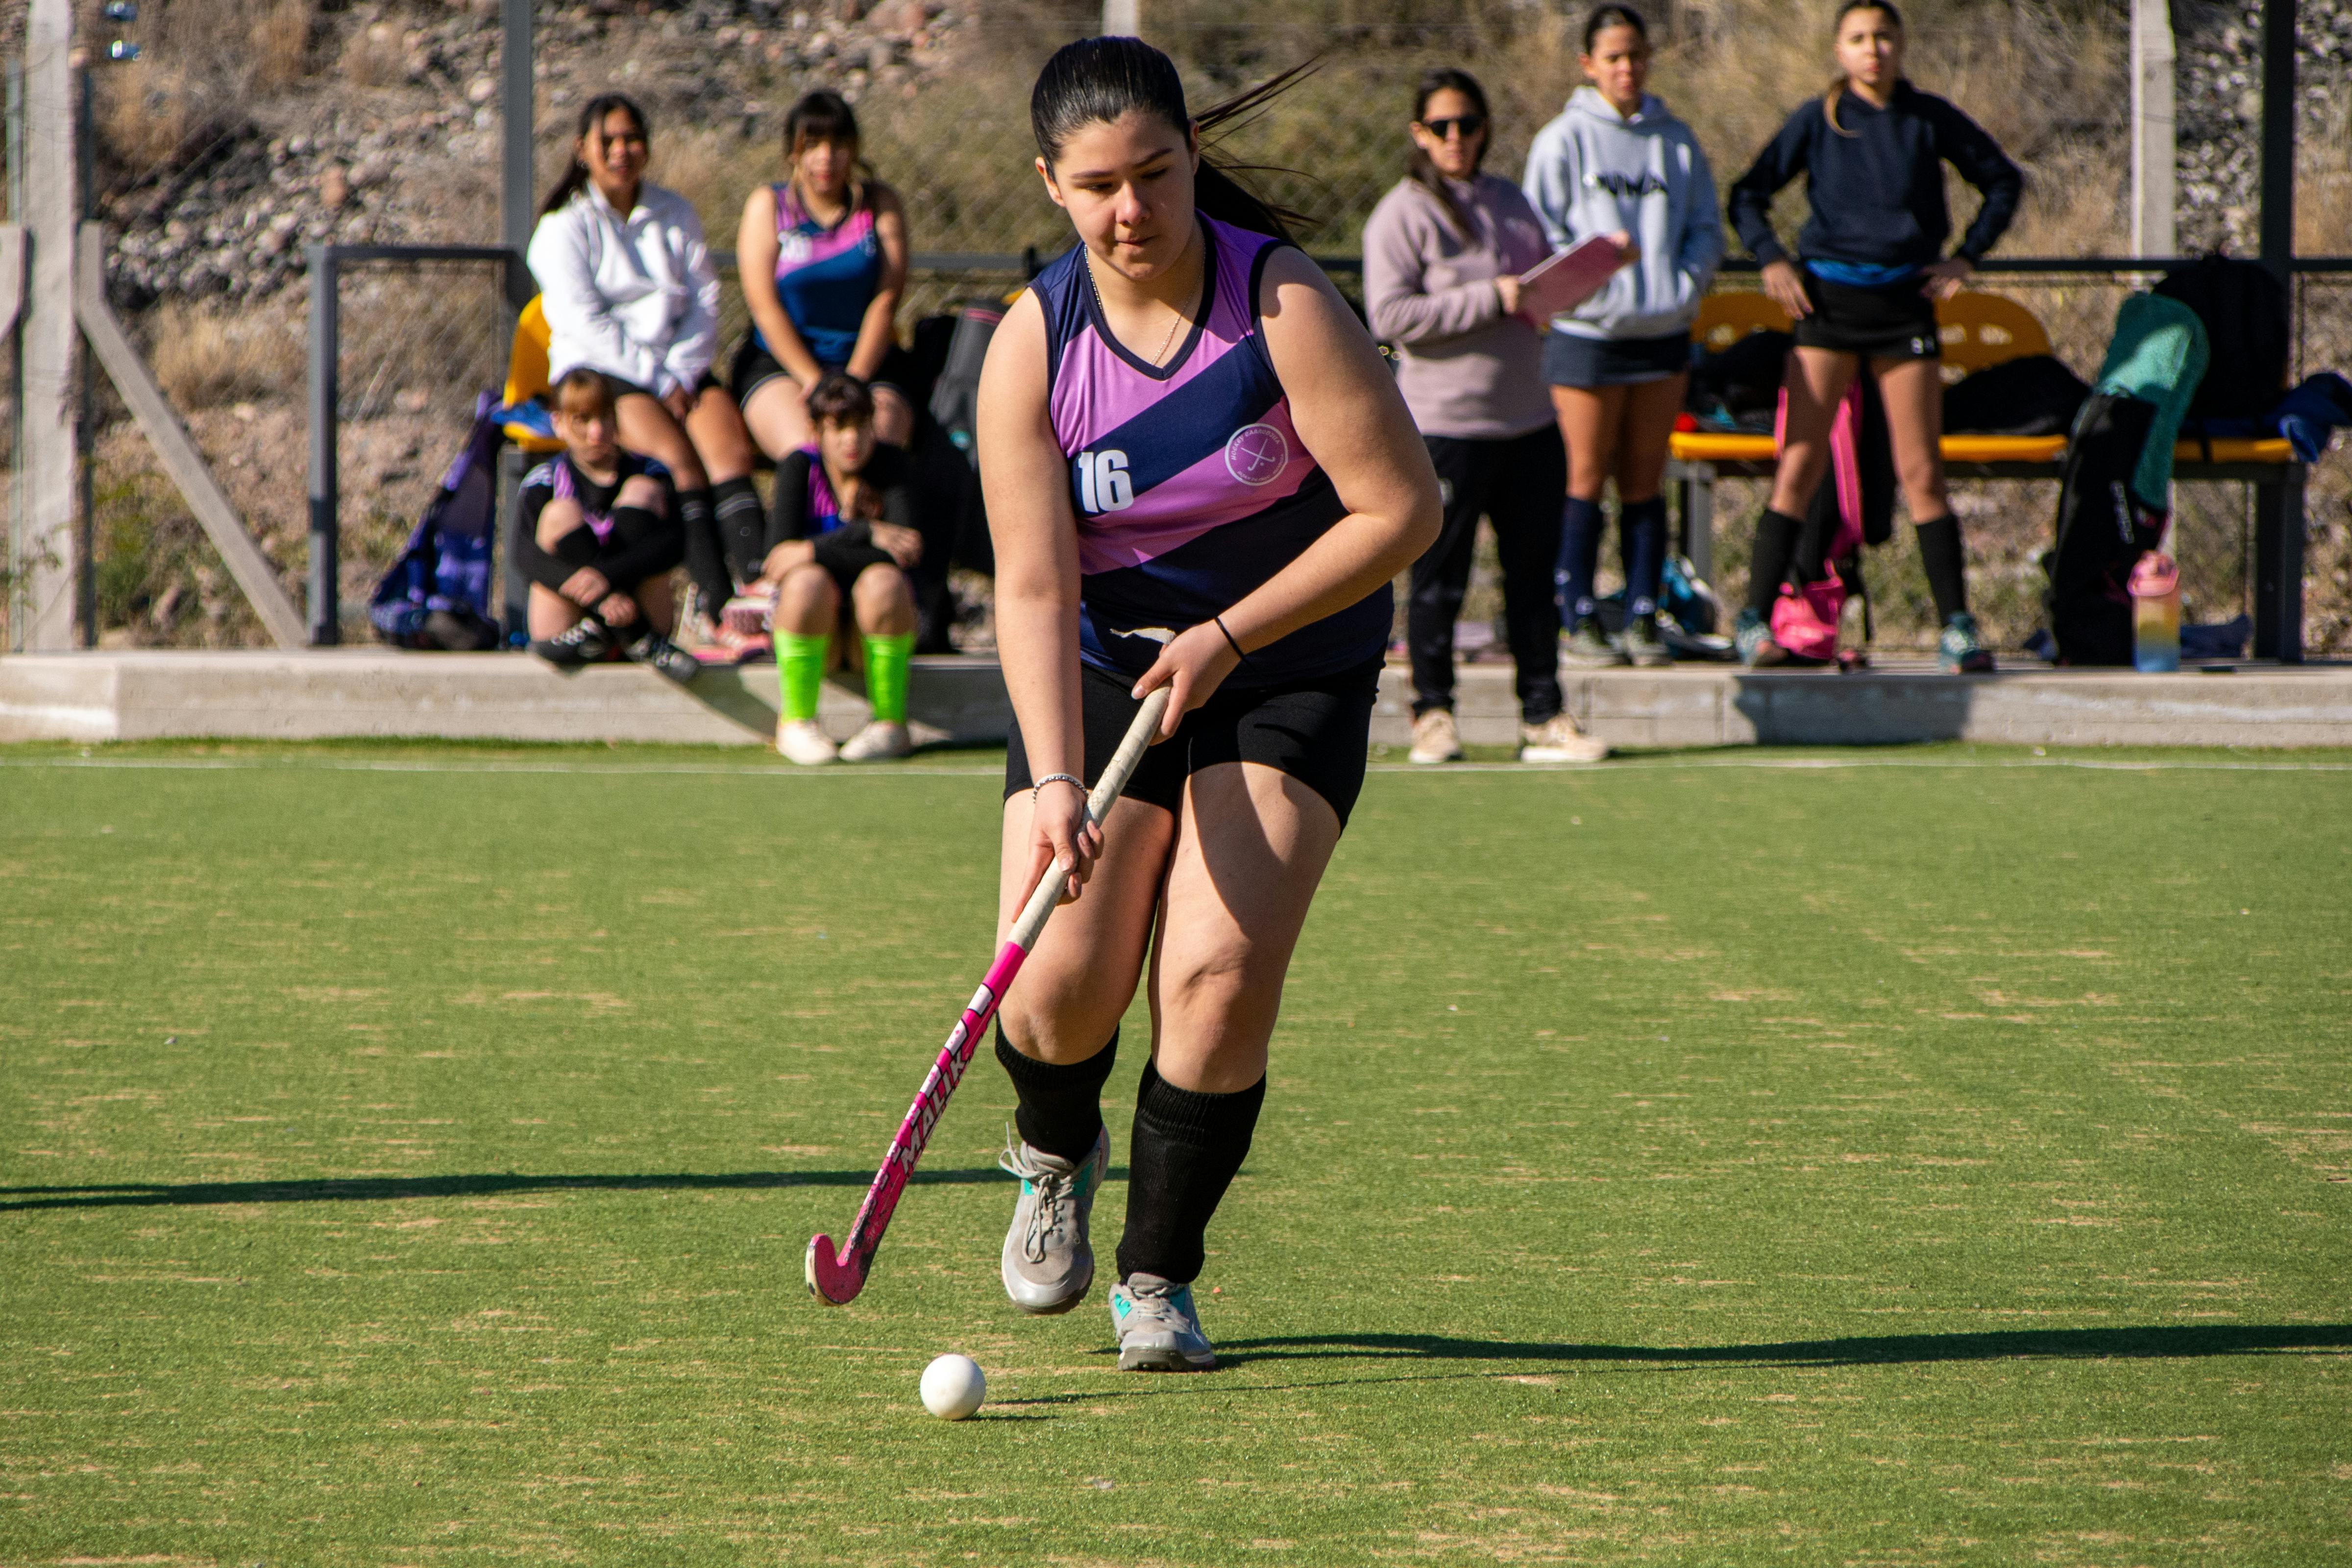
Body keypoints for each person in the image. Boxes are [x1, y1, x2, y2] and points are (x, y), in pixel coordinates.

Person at [977, 38, 1440, 1371]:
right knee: (1059, 988)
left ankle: (1158, 1279)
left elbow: (1403, 507)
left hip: (1287, 658)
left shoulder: (1280, 300)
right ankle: (1055, 1149)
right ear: (1054, 186)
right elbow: (1027, 584)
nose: (1135, 211)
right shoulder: (1035, 343)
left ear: (1194, 155)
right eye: (1101, 185)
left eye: (1159, 173)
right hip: (1102, 669)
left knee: (1218, 974)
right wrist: (1060, 780)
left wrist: (1234, 633)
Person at [1725, 0, 2021, 673]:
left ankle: (1958, 628)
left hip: (1904, 310)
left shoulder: (1927, 117)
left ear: (1902, 44)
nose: (1873, 50)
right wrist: (1772, 259)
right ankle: (1754, 621)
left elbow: (2002, 180)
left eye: (1884, 36)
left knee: (1923, 474)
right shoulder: (1819, 119)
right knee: (1798, 465)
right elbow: (1747, 193)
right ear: (1840, 50)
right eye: (1859, 38)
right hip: (1827, 309)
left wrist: (1966, 257)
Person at [1364, 68, 1608, 766]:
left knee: (1534, 577)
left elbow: (1534, 293)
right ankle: (1433, 715)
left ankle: (1544, 716)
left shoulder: (1510, 201)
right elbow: (1392, 317)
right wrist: (1490, 297)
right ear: (1419, 134)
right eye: (1441, 127)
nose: (1456, 139)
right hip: (1444, 428)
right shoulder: (1401, 215)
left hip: (1529, 420)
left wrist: (1579, 279)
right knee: (1440, 577)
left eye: (1468, 125)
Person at [527, 92, 768, 662]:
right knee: (680, 462)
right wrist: (659, 380)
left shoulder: (674, 211)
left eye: (631, 138)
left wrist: (681, 371)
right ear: (582, 150)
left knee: (727, 450)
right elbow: (583, 320)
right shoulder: (563, 227)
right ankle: (715, 608)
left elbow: (704, 300)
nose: (621, 151)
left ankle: (759, 599)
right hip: (604, 376)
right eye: (607, 140)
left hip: (678, 371)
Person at [1522, 3, 1723, 670]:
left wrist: (1681, 289)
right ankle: (1577, 615)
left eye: (1636, 55)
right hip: (1586, 336)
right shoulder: (1562, 139)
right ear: (1588, 64)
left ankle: (1642, 615)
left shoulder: (1676, 139)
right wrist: (1595, 284)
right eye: (1613, 57)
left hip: (1661, 333)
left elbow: (1702, 227)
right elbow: (1540, 237)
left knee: (1644, 480)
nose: (1627, 68)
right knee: (1583, 478)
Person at [732, 90, 916, 472]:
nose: (826, 158)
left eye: (837, 145)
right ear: (793, 152)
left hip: (867, 364)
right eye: (813, 145)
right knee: (811, 456)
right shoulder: (769, 206)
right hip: (784, 367)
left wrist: (855, 383)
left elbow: (886, 300)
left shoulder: (880, 204)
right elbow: (764, 307)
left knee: (871, 451)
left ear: (854, 149)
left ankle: (884, 532)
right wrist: (816, 385)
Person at [751, 374, 924, 765]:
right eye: (838, 429)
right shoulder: (798, 466)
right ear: (816, 432)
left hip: (873, 631)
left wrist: (811, 549)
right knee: (805, 582)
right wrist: (867, 534)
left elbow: (906, 553)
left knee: (884, 581)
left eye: (860, 426)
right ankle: (796, 721)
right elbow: (778, 561)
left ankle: (890, 724)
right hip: (819, 633)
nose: (852, 440)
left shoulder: (893, 464)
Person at [513, 368, 702, 684]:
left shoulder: (651, 470)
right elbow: (524, 555)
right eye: (583, 420)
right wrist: (603, 599)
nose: (597, 432)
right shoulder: (545, 480)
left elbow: (675, 543)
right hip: (576, 622)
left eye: (605, 418)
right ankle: (631, 636)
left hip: (639, 607)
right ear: (558, 423)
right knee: (560, 514)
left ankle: (630, 635)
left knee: (643, 492)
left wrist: (607, 576)